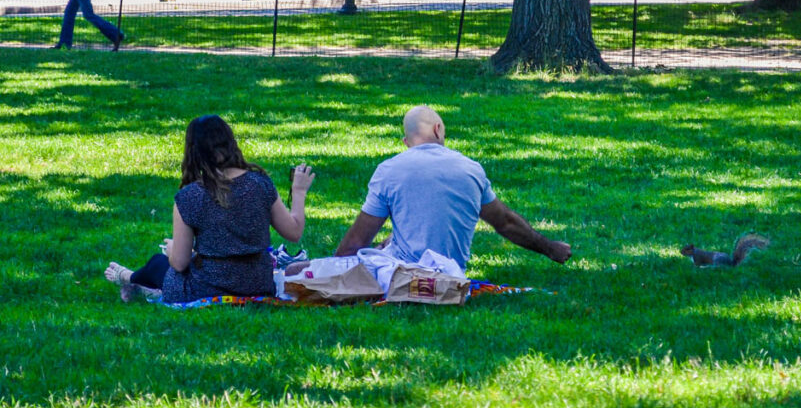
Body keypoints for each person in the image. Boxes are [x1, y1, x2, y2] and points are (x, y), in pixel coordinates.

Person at [326, 105, 571, 271]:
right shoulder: (471, 169)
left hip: (402, 274)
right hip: (452, 275)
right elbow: (505, 222)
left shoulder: (389, 170)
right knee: (388, 241)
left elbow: (355, 244)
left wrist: (330, 272)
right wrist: (551, 248)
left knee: (299, 269)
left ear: (406, 143)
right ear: (438, 129)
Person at [103, 115, 315, 303]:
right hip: (257, 284)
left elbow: (179, 263)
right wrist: (298, 191)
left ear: (193, 152)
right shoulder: (260, 184)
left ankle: (129, 277)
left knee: (160, 264)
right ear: (231, 143)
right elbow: (293, 233)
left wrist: (171, 250)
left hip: (206, 288)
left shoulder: (189, 196)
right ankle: (136, 284)